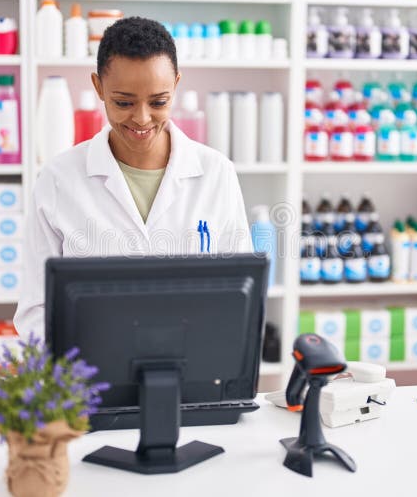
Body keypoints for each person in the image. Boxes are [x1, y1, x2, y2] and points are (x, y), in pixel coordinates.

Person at [14, 17, 252, 339]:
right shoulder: (58, 180)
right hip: (91, 380)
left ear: (176, 85)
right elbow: (35, 311)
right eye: (123, 102)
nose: (141, 118)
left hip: (191, 377)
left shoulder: (216, 174)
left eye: (158, 102)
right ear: (98, 87)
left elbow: (241, 297)